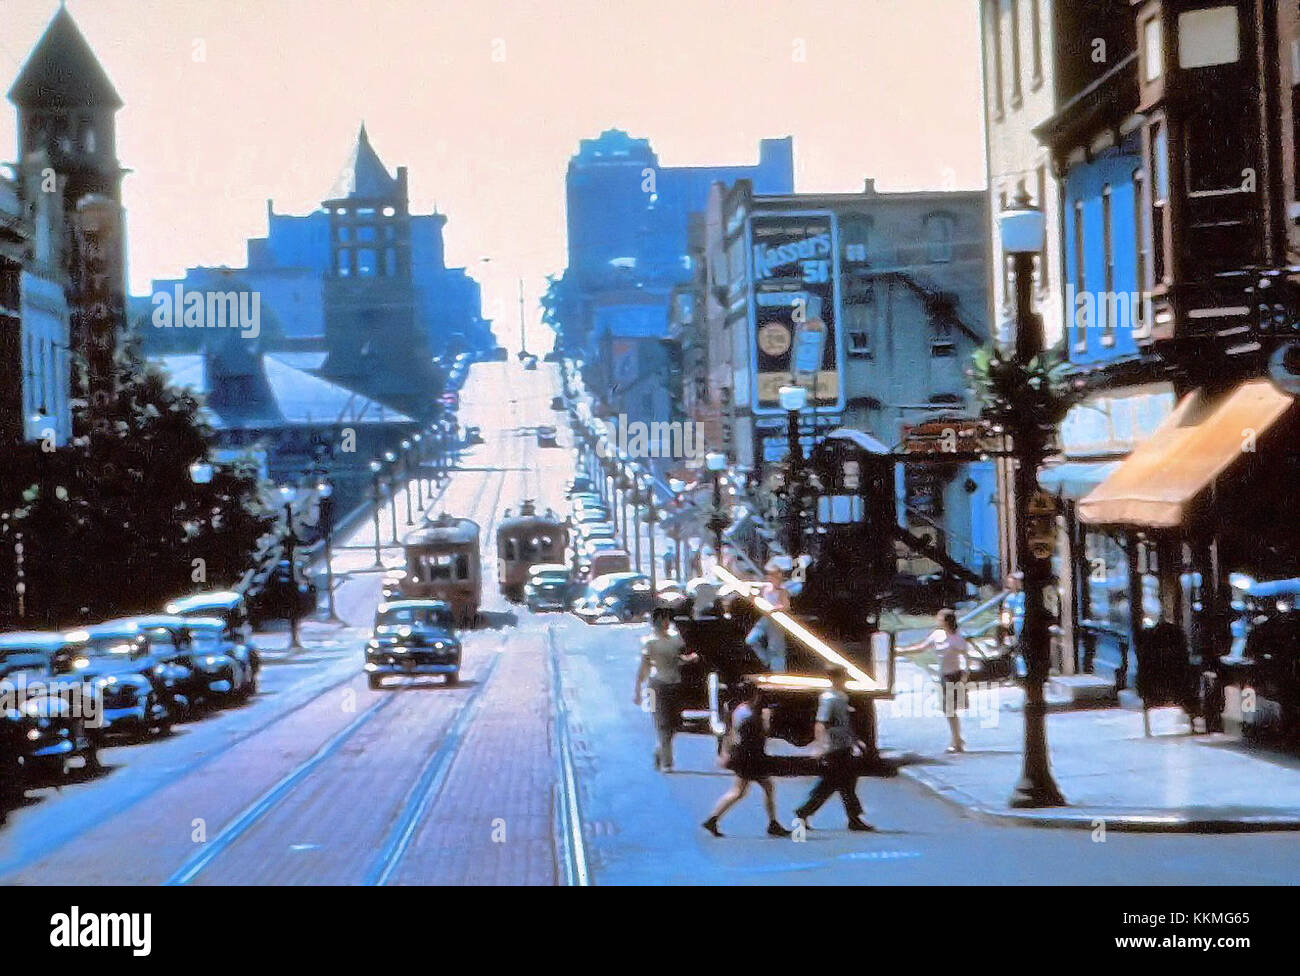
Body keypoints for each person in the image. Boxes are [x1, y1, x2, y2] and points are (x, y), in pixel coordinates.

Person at [702, 682, 791, 838]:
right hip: (750, 757)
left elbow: (731, 734)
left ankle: (772, 823)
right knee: (742, 791)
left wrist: (726, 752)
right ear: (753, 695)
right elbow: (759, 733)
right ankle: (713, 818)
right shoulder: (748, 715)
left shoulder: (741, 710)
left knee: (756, 789)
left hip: (746, 756)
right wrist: (766, 719)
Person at [793, 666, 873, 831]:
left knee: (846, 783)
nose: (845, 680)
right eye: (843, 677)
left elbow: (844, 722)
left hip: (843, 745)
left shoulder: (841, 696)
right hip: (833, 747)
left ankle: (853, 818)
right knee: (831, 784)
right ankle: (804, 812)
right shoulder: (828, 698)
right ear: (834, 678)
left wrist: (855, 740)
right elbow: (821, 723)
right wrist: (820, 746)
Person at [634, 606, 698, 771]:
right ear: (656, 622)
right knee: (662, 723)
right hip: (656, 685)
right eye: (663, 619)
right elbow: (644, 667)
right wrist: (637, 690)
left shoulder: (675, 640)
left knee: (675, 724)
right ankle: (667, 762)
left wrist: (688, 659)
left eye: (667, 619)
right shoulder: (649, 642)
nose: (666, 622)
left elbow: (678, 659)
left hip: (675, 684)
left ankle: (660, 750)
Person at [898, 607, 970, 753]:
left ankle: (956, 741)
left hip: (955, 675)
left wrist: (965, 675)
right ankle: (957, 739)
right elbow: (922, 647)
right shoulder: (937, 635)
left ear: (946, 621)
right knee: (949, 710)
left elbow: (965, 656)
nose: (937, 620)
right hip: (944, 676)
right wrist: (902, 651)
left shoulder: (957, 638)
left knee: (949, 709)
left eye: (939, 618)